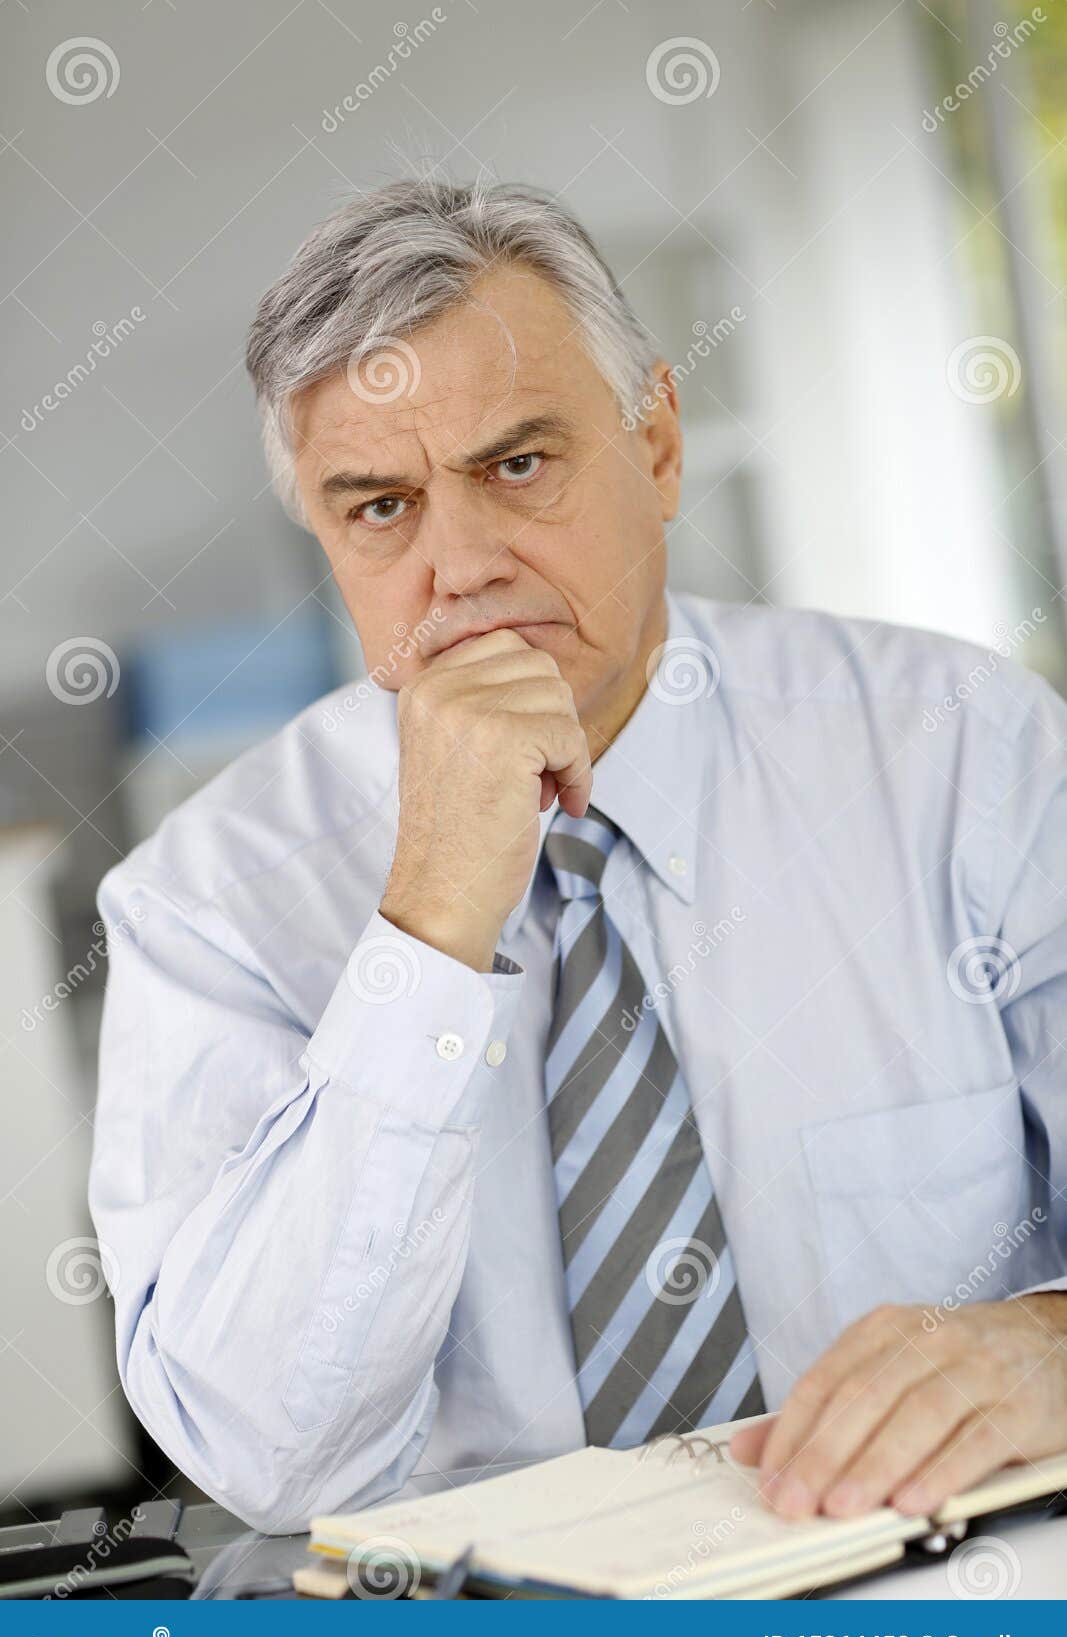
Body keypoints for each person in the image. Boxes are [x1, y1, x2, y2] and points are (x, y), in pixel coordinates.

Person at [90, 180, 1067, 1536]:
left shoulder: (971, 755)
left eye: (519, 465)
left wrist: (1054, 1343)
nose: (463, 564)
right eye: (380, 506)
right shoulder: (204, 903)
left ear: (657, 442)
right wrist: (431, 922)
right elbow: (264, 1458)